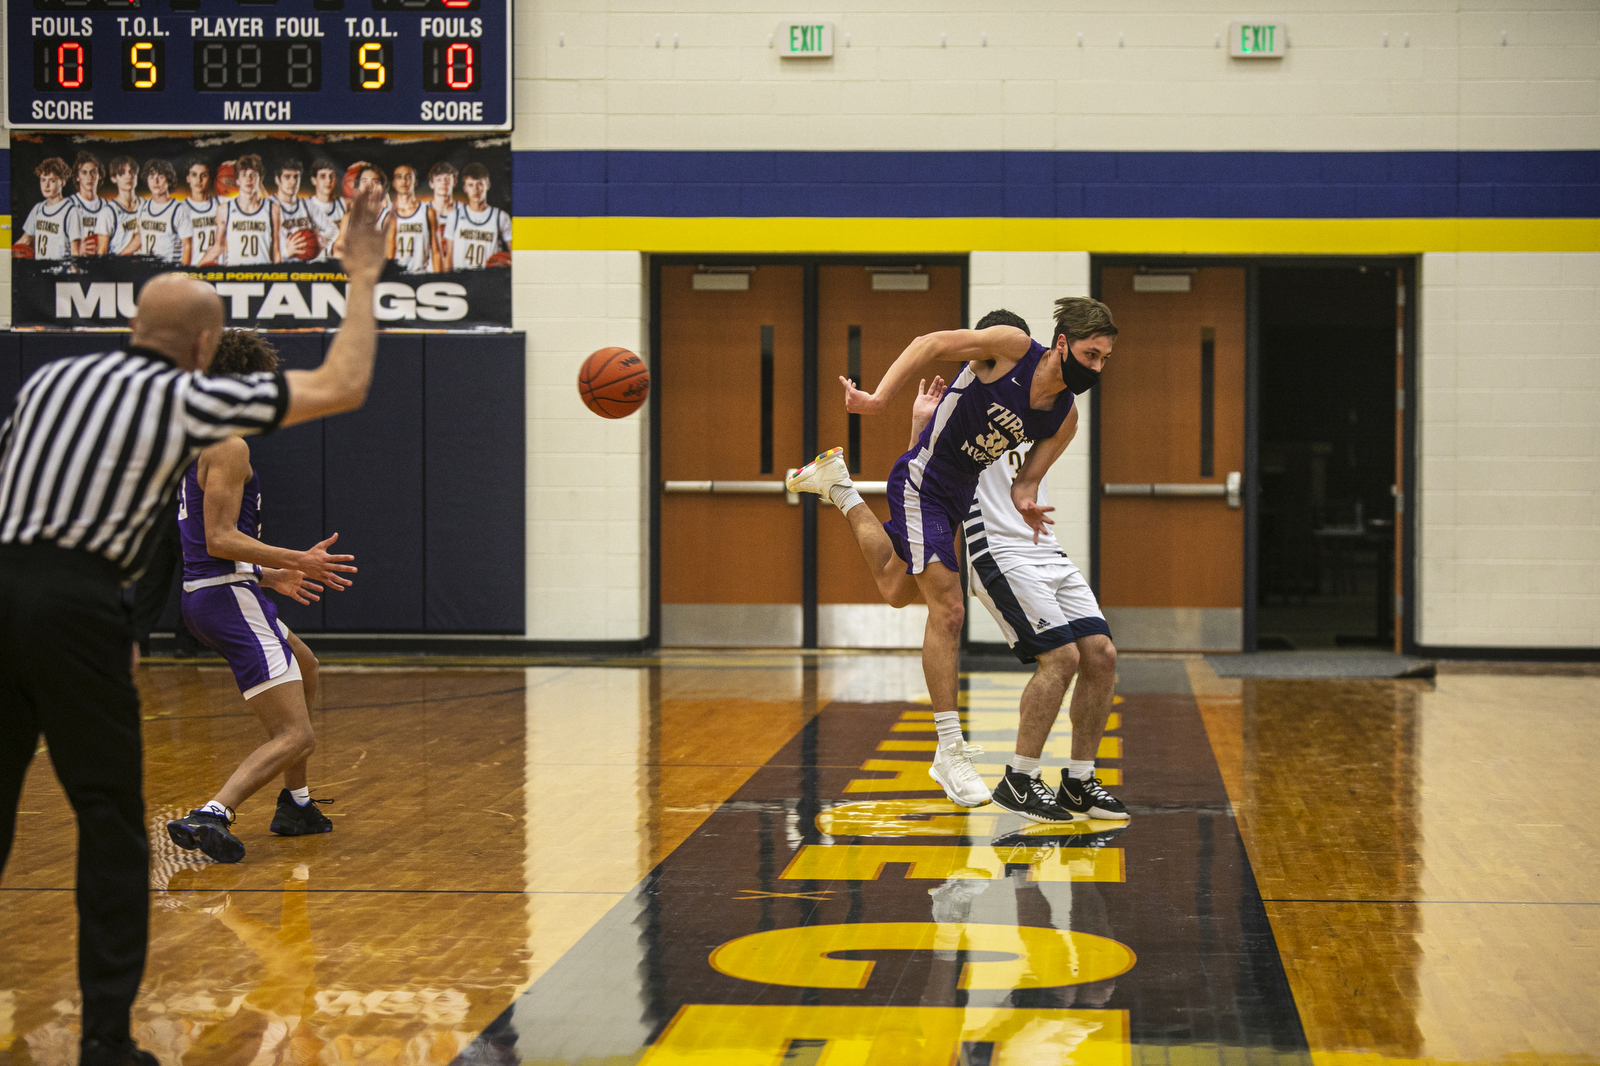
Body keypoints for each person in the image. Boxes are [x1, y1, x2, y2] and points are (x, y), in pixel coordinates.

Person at [0, 184, 388, 1066]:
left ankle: (290, 803)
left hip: (10, 583)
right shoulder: (190, 406)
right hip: (75, 609)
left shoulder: (51, 381)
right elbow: (344, 382)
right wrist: (360, 277)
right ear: (208, 347)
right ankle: (105, 1040)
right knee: (108, 821)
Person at [787, 297, 1118, 808]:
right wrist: (877, 400)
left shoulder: (1065, 416)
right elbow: (930, 344)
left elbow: (1024, 483)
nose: (1096, 367)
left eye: (1104, 360)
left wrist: (1026, 503)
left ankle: (840, 488)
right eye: (1091, 355)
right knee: (949, 610)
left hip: (957, 497)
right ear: (1062, 344)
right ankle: (950, 750)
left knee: (896, 589)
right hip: (923, 484)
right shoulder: (1010, 348)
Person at [912, 310, 1127, 824]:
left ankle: (1078, 780)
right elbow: (927, 465)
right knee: (1062, 658)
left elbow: (1027, 481)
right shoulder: (971, 396)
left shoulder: (1054, 403)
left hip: (1041, 545)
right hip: (996, 548)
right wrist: (918, 419)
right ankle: (1021, 777)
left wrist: (1028, 498)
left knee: (1101, 653)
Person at [165, 329, 356, 862]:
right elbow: (218, 538)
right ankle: (211, 814)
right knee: (296, 735)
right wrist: (297, 559)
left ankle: (296, 804)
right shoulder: (229, 445)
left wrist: (268, 577)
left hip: (216, 592)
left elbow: (208, 542)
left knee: (306, 666)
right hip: (226, 598)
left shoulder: (201, 439)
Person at [446, 162, 511, 270]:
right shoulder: (454, 216)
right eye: (471, 185)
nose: (475, 189)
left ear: (488, 185)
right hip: (461, 278)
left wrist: (508, 264)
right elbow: (448, 256)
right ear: (465, 188)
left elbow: (516, 254)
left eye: (480, 184)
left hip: (488, 278)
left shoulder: (501, 217)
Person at [215, 154, 274, 266]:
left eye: (253, 175)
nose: (248, 178)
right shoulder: (223, 207)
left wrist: (258, 182)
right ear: (237, 179)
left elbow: (268, 208)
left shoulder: (267, 207)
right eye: (243, 174)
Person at [15, 157, 74, 261]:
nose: (46, 185)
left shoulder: (70, 211)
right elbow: (25, 240)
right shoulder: (38, 209)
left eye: (52, 180)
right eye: (43, 180)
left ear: (63, 182)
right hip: (41, 271)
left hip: (61, 272)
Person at [333, 164, 396, 260]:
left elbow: (389, 256)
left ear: (382, 188)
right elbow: (338, 252)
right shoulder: (348, 218)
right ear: (358, 188)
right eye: (364, 181)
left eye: (375, 181)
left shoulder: (389, 219)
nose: (369, 186)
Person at [390, 164, 441, 273]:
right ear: (394, 183)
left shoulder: (428, 212)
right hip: (395, 276)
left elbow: (436, 251)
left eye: (408, 177)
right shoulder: (387, 213)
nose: (404, 181)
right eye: (399, 177)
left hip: (420, 276)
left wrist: (439, 278)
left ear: (415, 182)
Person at [177, 159, 225, 266]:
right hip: (193, 269)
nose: (199, 179)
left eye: (203, 175)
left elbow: (255, 200)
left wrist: (238, 166)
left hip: (218, 269)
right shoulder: (180, 208)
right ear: (188, 179)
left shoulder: (222, 203)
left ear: (210, 179)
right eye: (194, 175)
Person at [272, 159, 320, 262]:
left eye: (296, 177)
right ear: (277, 180)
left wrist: (318, 244)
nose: (293, 181)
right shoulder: (267, 206)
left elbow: (332, 230)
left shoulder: (308, 205)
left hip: (304, 269)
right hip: (278, 270)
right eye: (287, 177)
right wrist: (286, 253)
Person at [67, 151, 114, 257]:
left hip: (100, 266)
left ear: (100, 175)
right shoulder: (68, 205)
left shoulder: (109, 207)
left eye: (93, 172)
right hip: (77, 266)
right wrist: (76, 250)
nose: (89, 177)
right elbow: (57, 243)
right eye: (84, 172)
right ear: (77, 177)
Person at [136, 159, 183, 263]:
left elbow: (188, 246)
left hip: (168, 272)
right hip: (147, 271)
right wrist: (120, 256)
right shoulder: (143, 206)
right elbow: (139, 237)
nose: (155, 181)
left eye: (160, 177)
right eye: (151, 177)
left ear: (169, 180)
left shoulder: (179, 209)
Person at [303, 158, 345, 261]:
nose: (328, 180)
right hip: (313, 268)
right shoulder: (304, 206)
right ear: (313, 180)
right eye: (323, 176)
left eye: (332, 176)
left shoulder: (344, 205)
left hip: (336, 269)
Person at [107, 156, 143, 256]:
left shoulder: (146, 205)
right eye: (122, 173)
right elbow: (102, 252)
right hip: (119, 268)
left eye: (131, 172)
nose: (128, 176)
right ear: (113, 179)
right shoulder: (108, 211)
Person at [427, 161, 461, 267]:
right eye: (438, 180)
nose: (443, 183)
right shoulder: (423, 211)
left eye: (447, 179)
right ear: (431, 184)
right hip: (429, 267)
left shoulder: (464, 211)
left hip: (455, 267)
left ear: (454, 182)